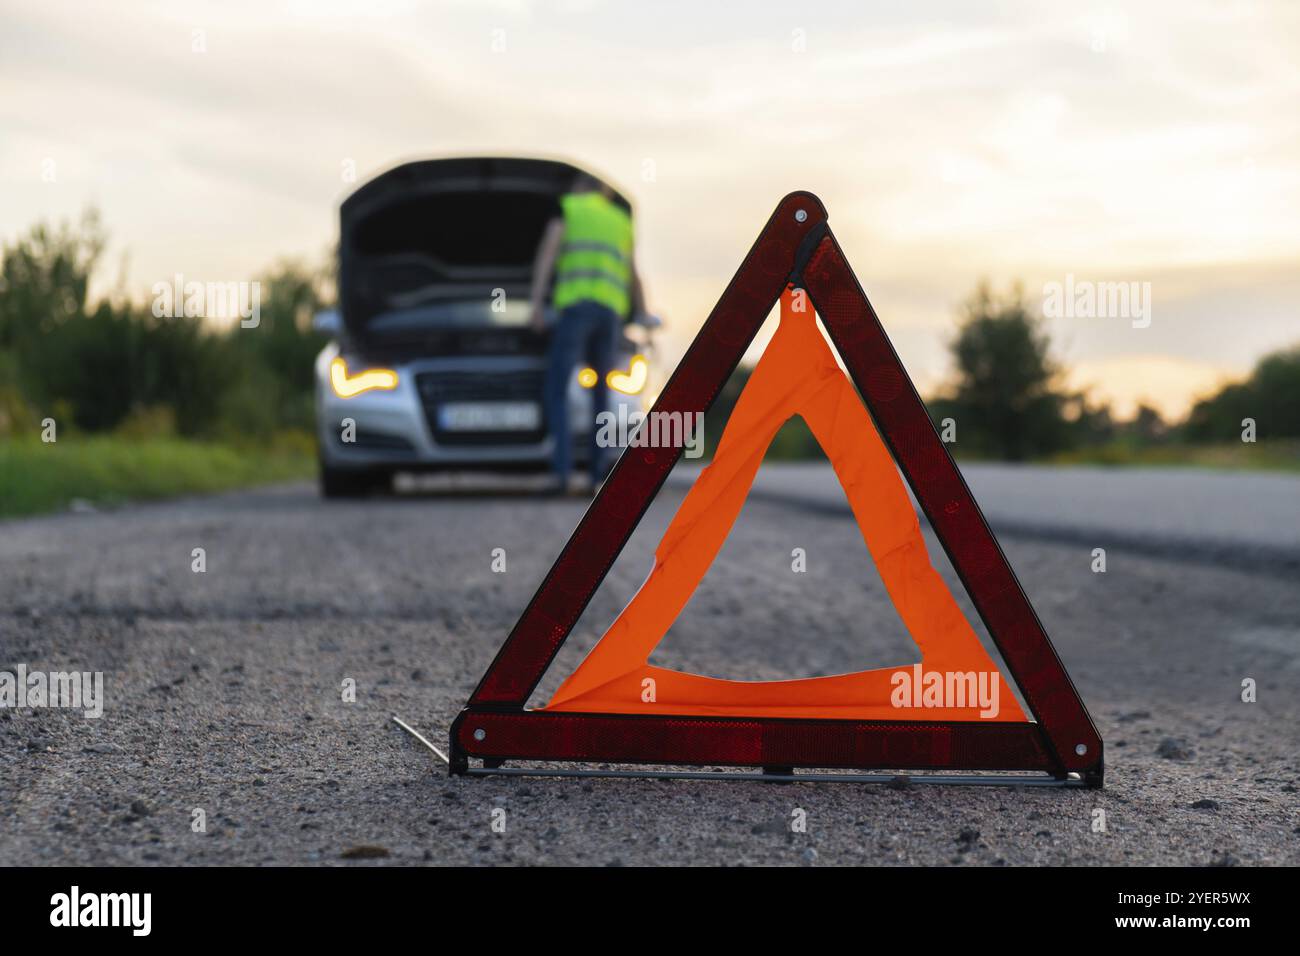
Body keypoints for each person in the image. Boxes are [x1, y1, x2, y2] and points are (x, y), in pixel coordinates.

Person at [529, 173, 645, 492]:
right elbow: (633, 274)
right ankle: (596, 477)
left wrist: (536, 303)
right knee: (601, 392)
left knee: (557, 388)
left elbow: (548, 254)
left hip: (576, 308)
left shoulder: (569, 208)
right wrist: (643, 312)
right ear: (605, 193)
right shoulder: (620, 221)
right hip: (610, 314)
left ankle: (562, 474)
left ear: (580, 188)